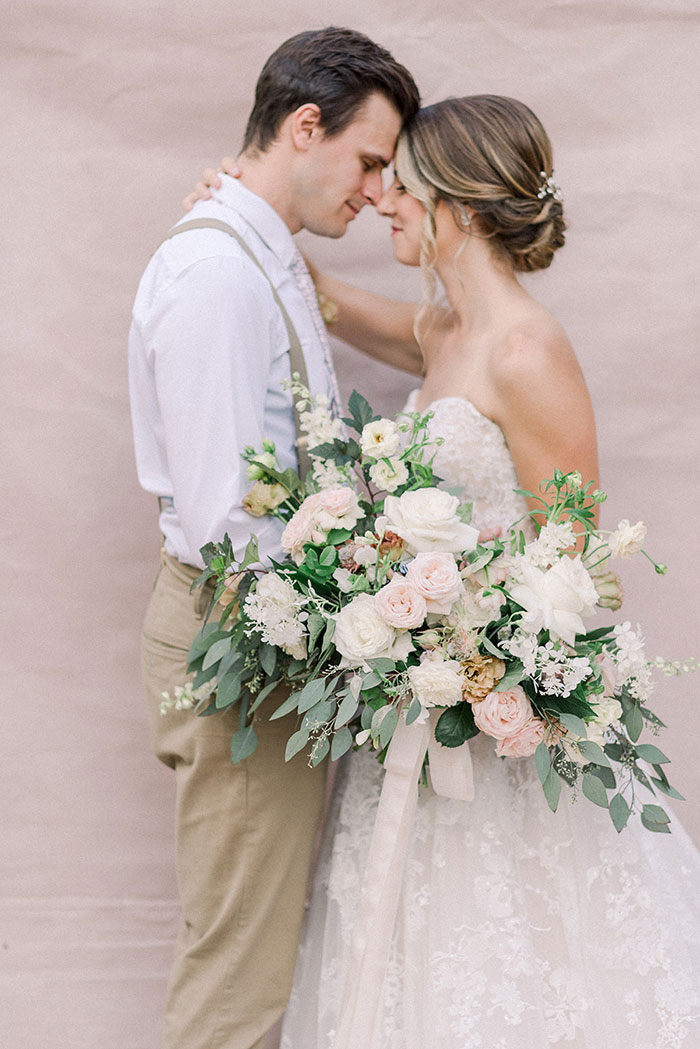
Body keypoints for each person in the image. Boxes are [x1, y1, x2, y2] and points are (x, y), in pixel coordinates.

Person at [188, 94, 700, 1047]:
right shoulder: (441, 329)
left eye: (404, 186)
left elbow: (582, 564)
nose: (384, 200)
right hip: (412, 722)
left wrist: (469, 643)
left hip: (491, 729)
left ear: (458, 209)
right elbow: (323, 299)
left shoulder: (526, 350)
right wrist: (243, 213)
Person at [128, 27, 419, 1049]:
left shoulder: (262, 254)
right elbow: (225, 525)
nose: (379, 192)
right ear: (307, 127)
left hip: (267, 638)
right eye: (370, 160)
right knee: (237, 976)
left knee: (256, 951)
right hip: (241, 641)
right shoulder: (217, 275)